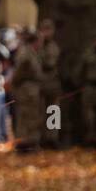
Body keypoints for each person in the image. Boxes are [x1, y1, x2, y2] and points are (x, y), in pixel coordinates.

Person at [10, 27, 45, 152]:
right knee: (25, 117)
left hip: (33, 90)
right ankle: (23, 143)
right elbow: (18, 72)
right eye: (40, 41)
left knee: (33, 117)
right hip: (26, 90)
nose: (41, 44)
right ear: (35, 41)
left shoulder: (34, 54)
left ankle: (31, 142)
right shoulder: (26, 53)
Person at [75, 33, 96, 147]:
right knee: (88, 117)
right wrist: (80, 85)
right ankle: (89, 139)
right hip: (90, 88)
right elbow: (79, 71)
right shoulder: (88, 54)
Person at [37, 18, 62, 149]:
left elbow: (49, 64)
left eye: (48, 30)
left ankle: (52, 139)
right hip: (41, 86)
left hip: (52, 85)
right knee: (40, 113)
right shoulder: (37, 46)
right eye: (43, 30)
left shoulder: (53, 47)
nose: (46, 33)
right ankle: (41, 138)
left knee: (53, 112)